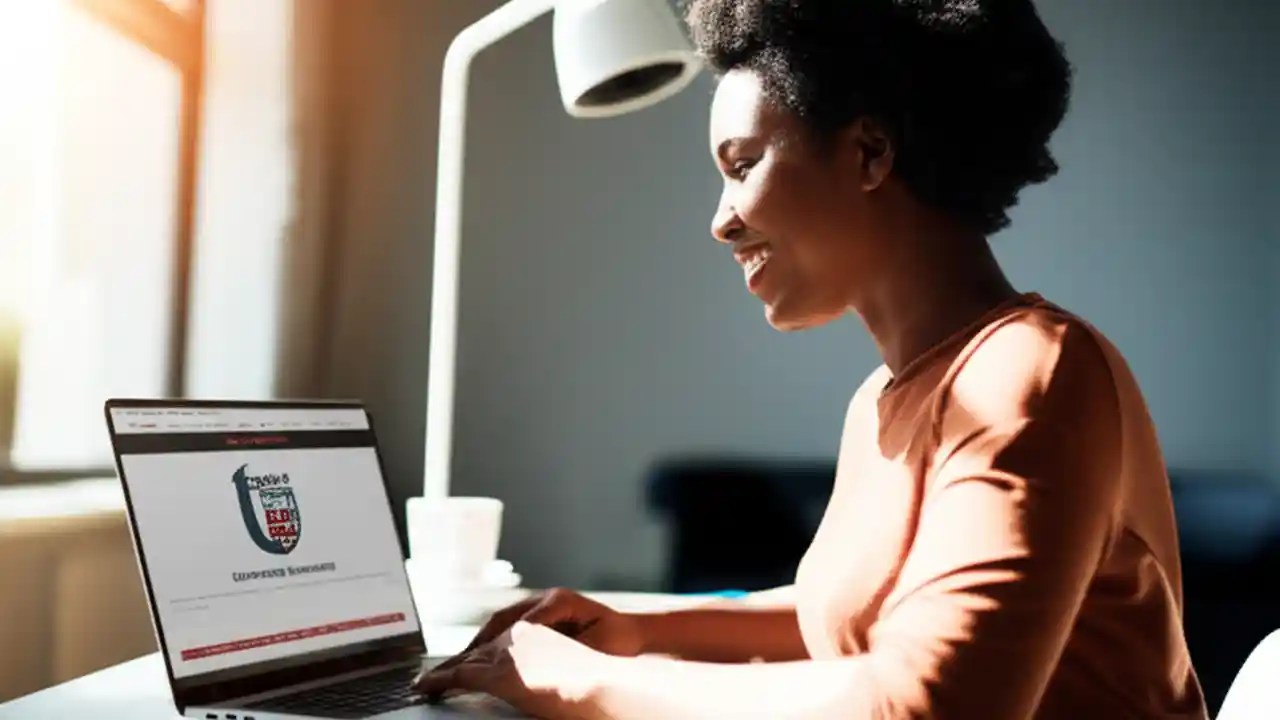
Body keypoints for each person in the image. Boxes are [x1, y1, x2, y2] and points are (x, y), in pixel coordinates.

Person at [413, 0, 1209, 717]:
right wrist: (632, 628)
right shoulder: (881, 400)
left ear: (868, 153)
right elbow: (848, 613)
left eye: (742, 165)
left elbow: (924, 702)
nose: (721, 223)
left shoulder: (1029, 375)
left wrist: (575, 681)